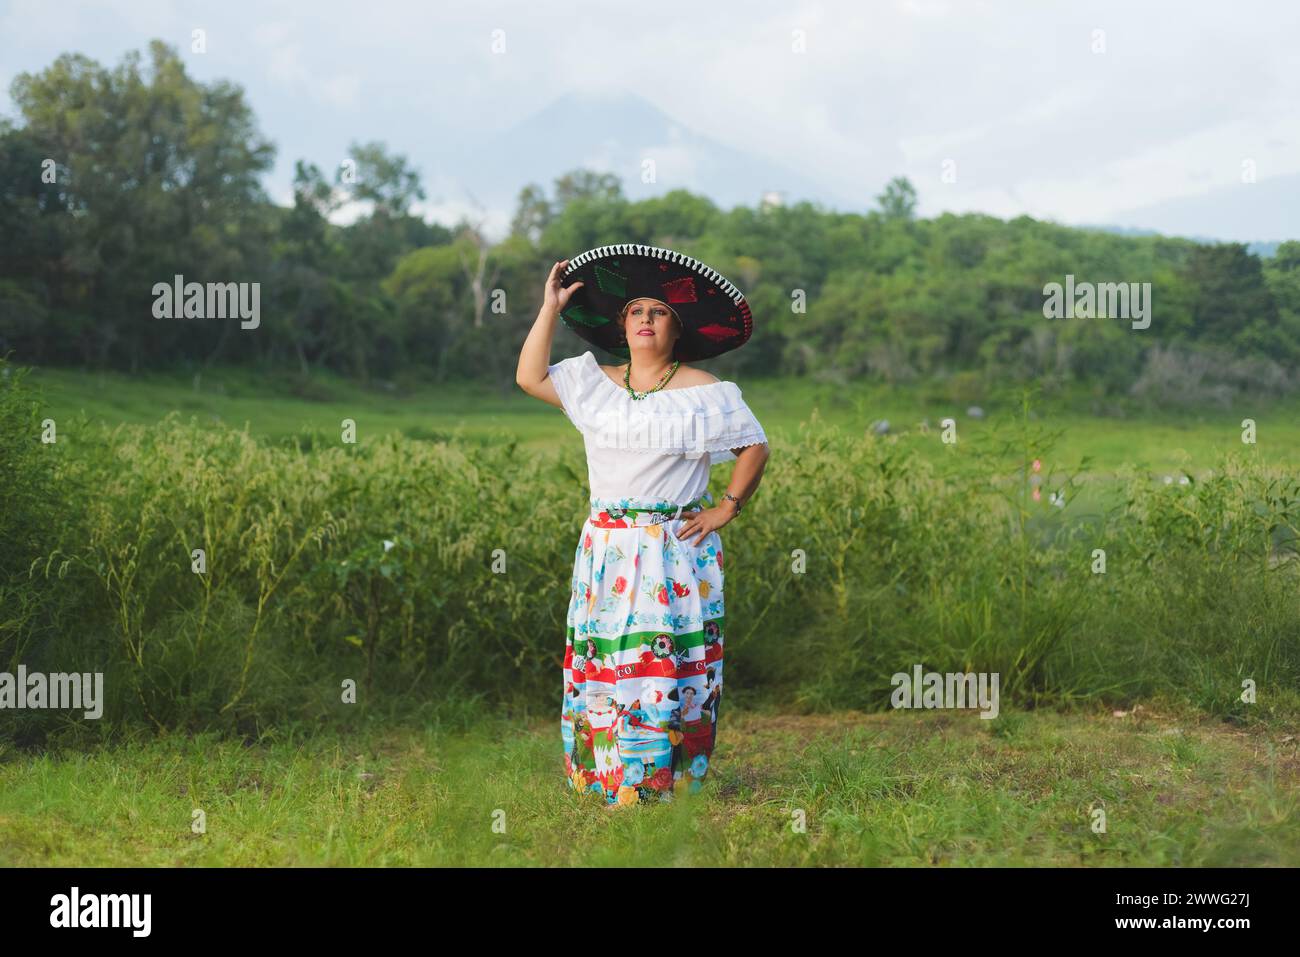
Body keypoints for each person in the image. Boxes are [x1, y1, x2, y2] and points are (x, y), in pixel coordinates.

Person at [516, 243, 771, 808]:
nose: (646, 321)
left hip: (673, 548)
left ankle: (667, 783)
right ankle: (608, 779)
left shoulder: (704, 391)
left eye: (659, 313)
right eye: (637, 311)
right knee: (608, 656)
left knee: (666, 664)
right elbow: (529, 376)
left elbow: (754, 447)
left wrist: (727, 507)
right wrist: (549, 308)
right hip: (606, 545)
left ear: (676, 331)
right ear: (622, 325)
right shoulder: (594, 385)